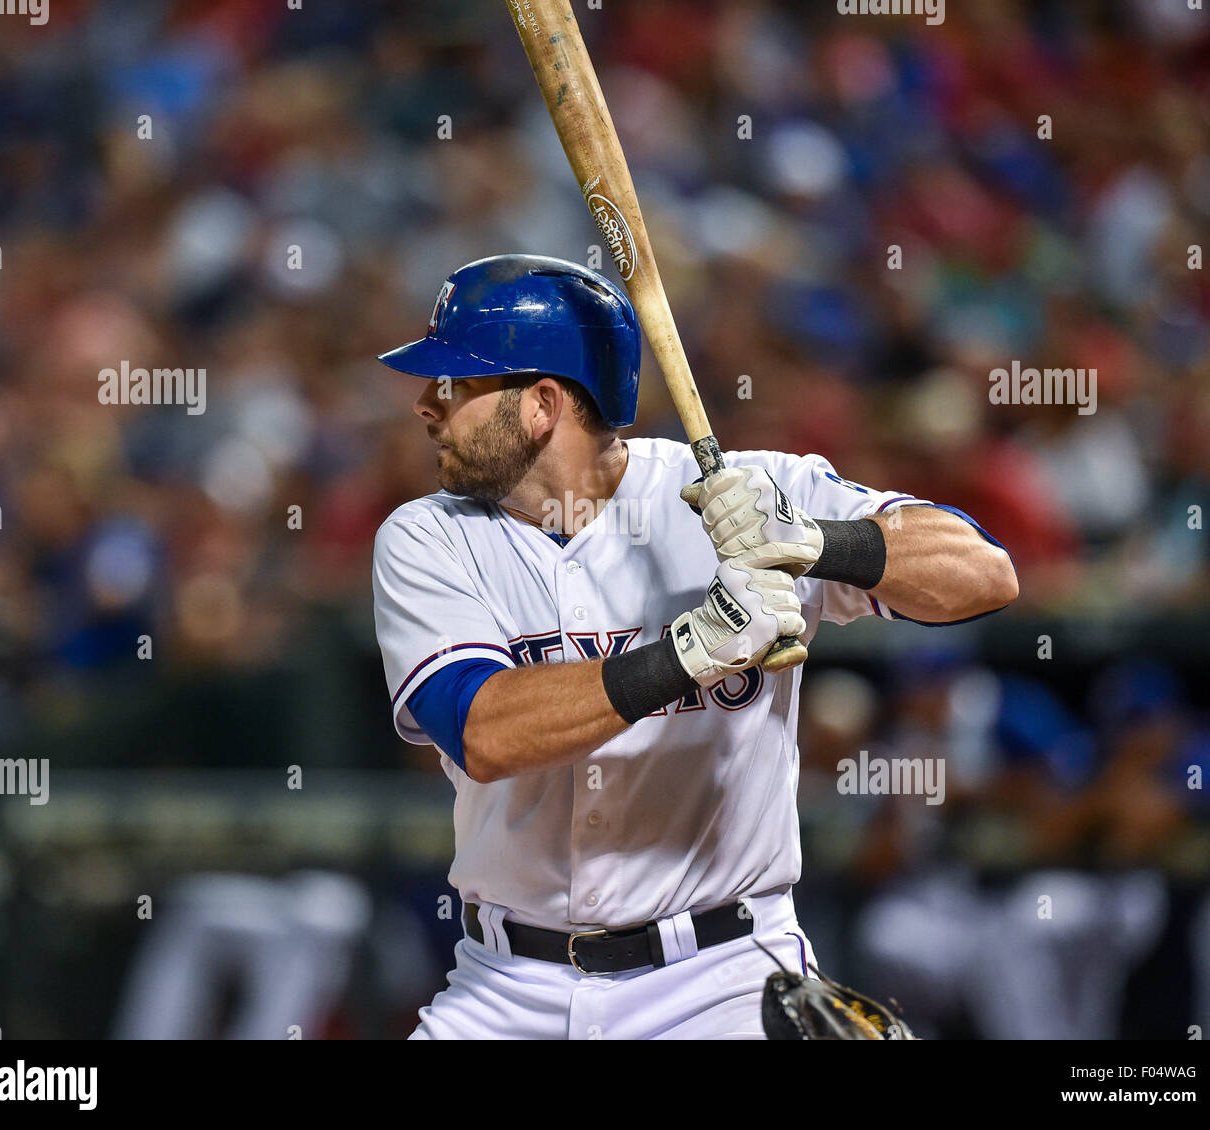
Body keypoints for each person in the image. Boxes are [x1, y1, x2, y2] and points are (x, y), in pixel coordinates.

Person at [371, 253, 1018, 1039]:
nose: (426, 406)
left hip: (723, 977)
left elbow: (984, 573)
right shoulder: (426, 537)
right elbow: (484, 730)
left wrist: (810, 539)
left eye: (456, 385)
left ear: (542, 404)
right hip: (508, 986)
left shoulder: (743, 495)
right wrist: (691, 649)